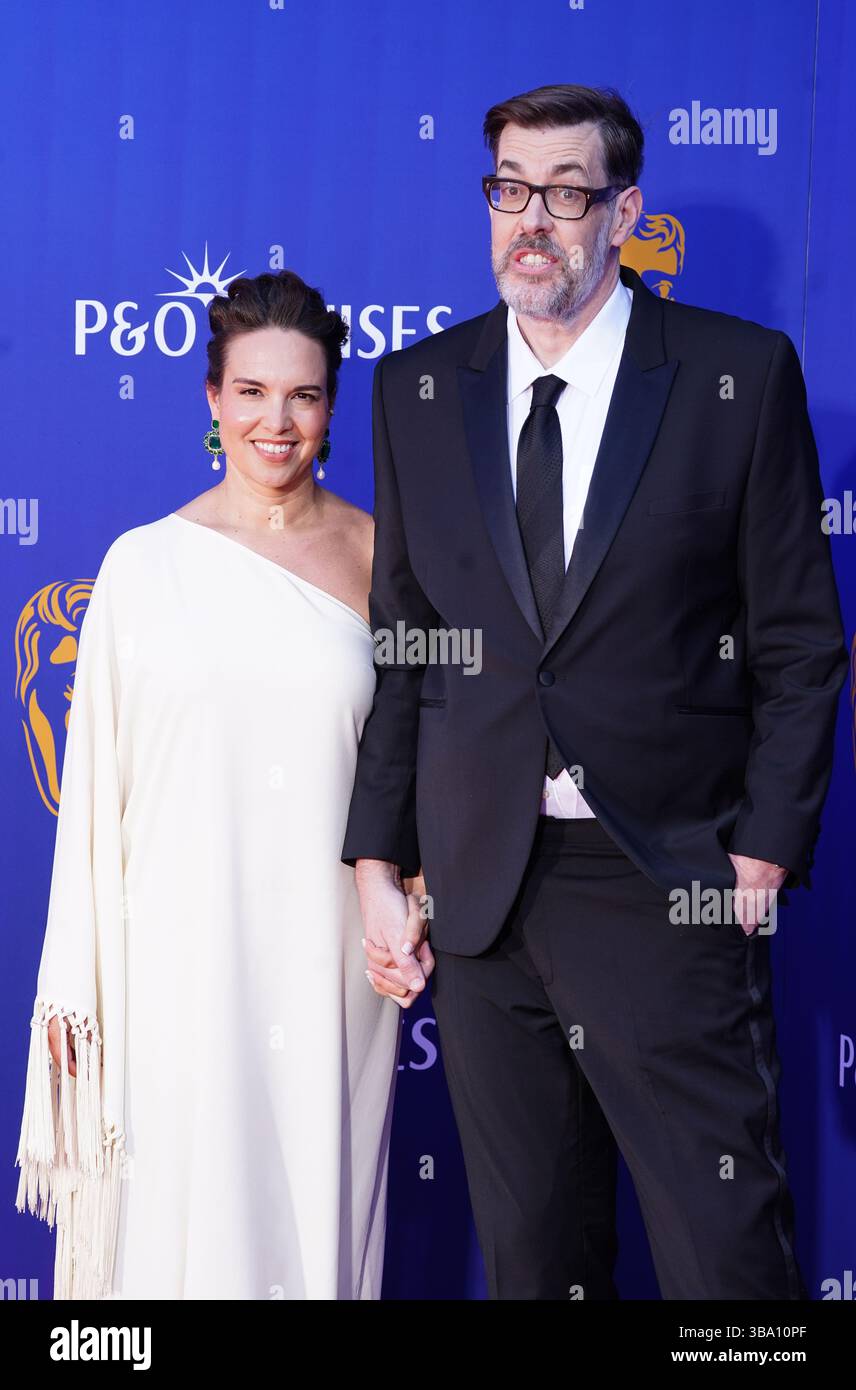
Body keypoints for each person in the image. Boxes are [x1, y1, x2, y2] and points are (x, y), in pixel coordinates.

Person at [342, 84, 848, 1299]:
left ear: (623, 212)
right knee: (535, 1261)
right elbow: (408, 645)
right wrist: (377, 861)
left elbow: (798, 642)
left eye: (565, 194)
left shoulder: (735, 374)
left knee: (723, 1257)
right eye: (509, 189)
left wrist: (760, 855)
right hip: (482, 891)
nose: (531, 219)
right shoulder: (418, 388)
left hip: (666, 877)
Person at [15, 269, 404, 1300]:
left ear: (331, 406)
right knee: (181, 1223)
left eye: (303, 395)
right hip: (176, 966)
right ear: (211, 398)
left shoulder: (385, 558)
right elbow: (94, 802)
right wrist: (77, 985)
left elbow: (419, 758)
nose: (276, 423)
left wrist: (414, 896)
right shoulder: (143, 568)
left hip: (332, 961)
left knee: (314, 1212)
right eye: (251, 392)